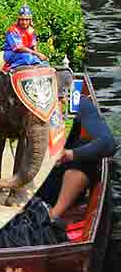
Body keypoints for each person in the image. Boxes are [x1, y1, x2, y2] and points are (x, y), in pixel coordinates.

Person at [37, 93, 117, 226]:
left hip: (58, 179)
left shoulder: (76, 101)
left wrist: (69, 154)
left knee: (86, 149)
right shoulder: (14, 105)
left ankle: (53, 216)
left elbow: (108, 143)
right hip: (28, 180)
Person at [3, 5, 47, 69]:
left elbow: (33, 46)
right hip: (12, 53)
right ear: (18, 20)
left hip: (27, 53)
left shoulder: (31, 30)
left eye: (26, 20)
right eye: (22, 20)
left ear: (30, 20)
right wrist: (37, 54)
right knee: (27, 58)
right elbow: (19, 48)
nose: (24, 22)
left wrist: (38, 56)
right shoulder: (13, 30)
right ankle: (11, 68)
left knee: (41, 61)